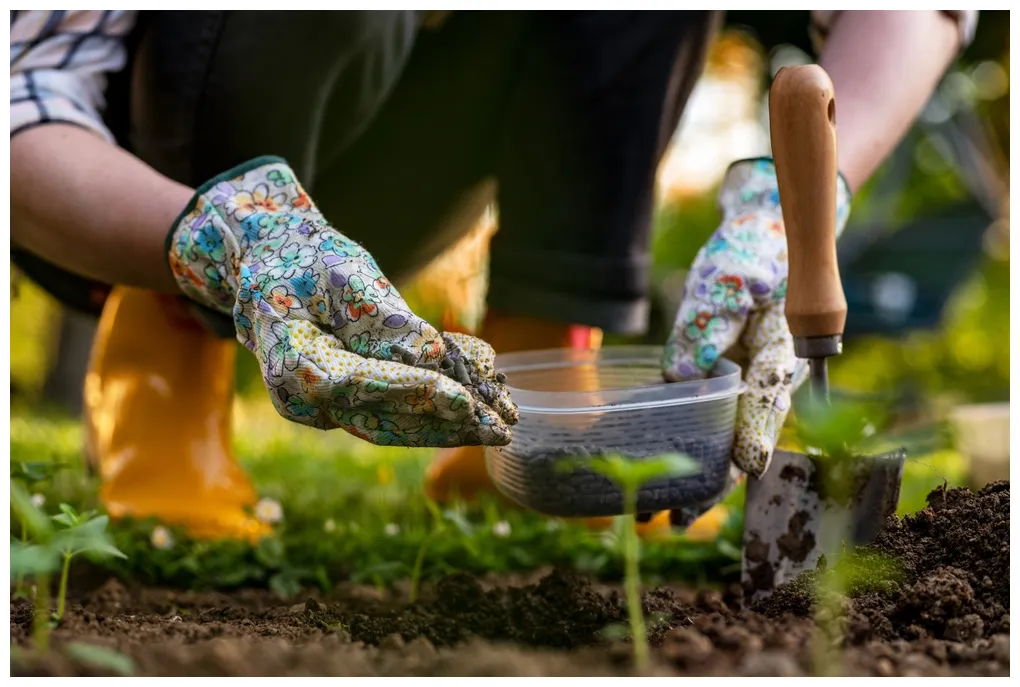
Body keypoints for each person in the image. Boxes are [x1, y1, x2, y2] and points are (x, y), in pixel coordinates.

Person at [11, 10, 976, 540]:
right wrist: (232, 238)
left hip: (401, 176)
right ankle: (163, 374)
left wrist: (794, 208)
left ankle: (536, 391)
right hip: (130, 194)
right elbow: (23, 95)